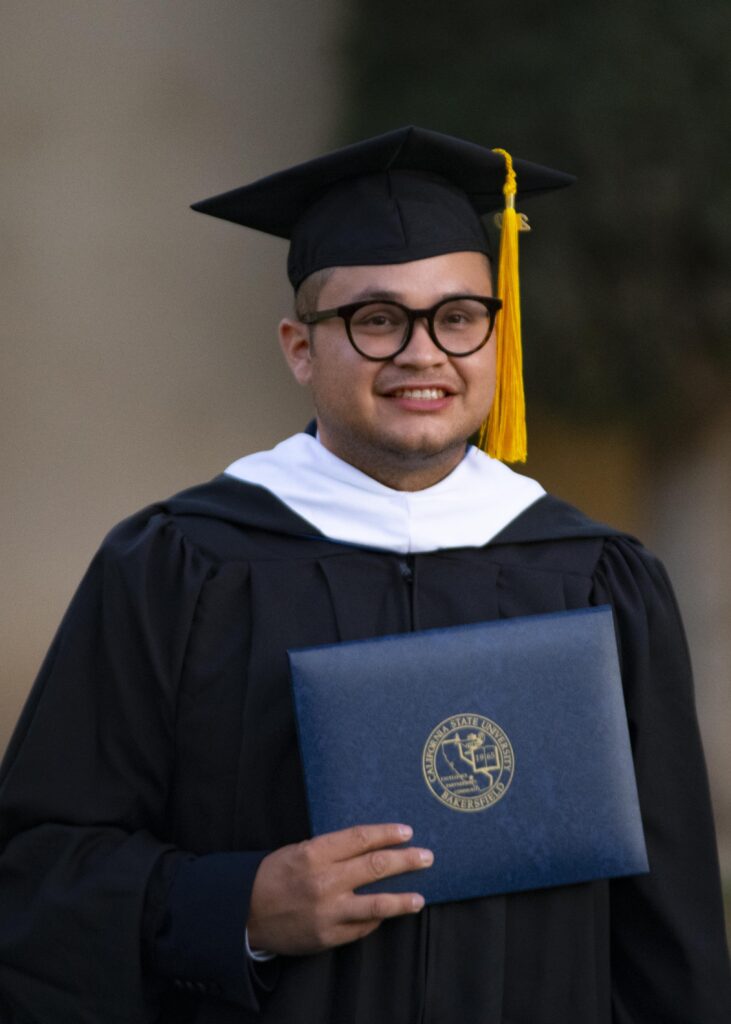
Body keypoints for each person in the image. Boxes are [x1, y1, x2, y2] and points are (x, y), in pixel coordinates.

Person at [0, 126, 729, 1024]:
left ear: (495, 338)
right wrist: (236, 908)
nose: (424, 354)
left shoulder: (592, 575)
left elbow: (669, 926)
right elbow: (39, 872)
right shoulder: (179, 565)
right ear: (300, 348)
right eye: (376, 319)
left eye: (459, 317)